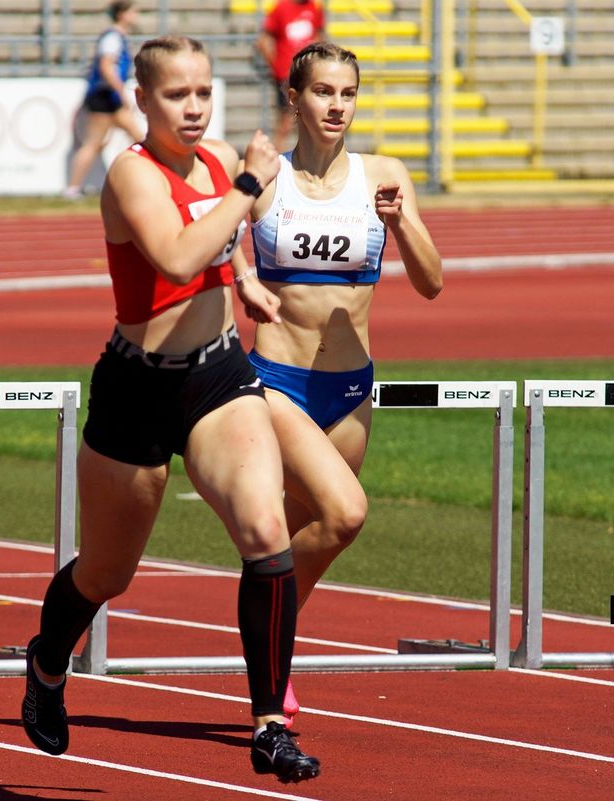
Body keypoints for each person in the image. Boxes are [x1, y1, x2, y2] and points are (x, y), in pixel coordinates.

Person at [21, 35, 321, 784]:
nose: (194, 108)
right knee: (107, 573)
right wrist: (250, 189)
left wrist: (245, 279)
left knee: (264, 529)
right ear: (143, 102)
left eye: (204, 92)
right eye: (177, 96)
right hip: (138, 388)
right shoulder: (131, 174)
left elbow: (220, 242)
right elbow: (181, 255)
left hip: (218, 374)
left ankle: (269, 725)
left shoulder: (219, 159)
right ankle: (48, 661)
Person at [243, 41, 443, 726]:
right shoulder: (266, 178)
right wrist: (240, 281)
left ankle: (269, 642)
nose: (337, 105)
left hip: (351, 387)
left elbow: (431, 282)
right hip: (276, 380)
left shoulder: (383, 175)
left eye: (348, 93)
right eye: (323, 91)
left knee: (306, 534)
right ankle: (265, 637)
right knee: (345, 512)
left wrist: (402, 221)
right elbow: (205, 251)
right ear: (294, 98)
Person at [63, 0, 144, 200]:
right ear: (122, 14)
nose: (136, 16)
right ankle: (72, 188)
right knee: (92, 144)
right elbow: (106, 67)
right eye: (133, 12)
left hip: (110, 99)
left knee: (140, 138)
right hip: (104, 98)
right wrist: (121, 91)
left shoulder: (119, 37)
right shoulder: (112, 38)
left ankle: (149, 178)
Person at [256, 0, 324, 151]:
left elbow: (319, 38)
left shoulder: (314, 7)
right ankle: (277, 158)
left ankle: (309, 156)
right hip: (286, 76)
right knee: (286, 121)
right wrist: (277, 66)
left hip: (309, 75)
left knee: (310, 118)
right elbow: (263, 41)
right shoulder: (281, 8)